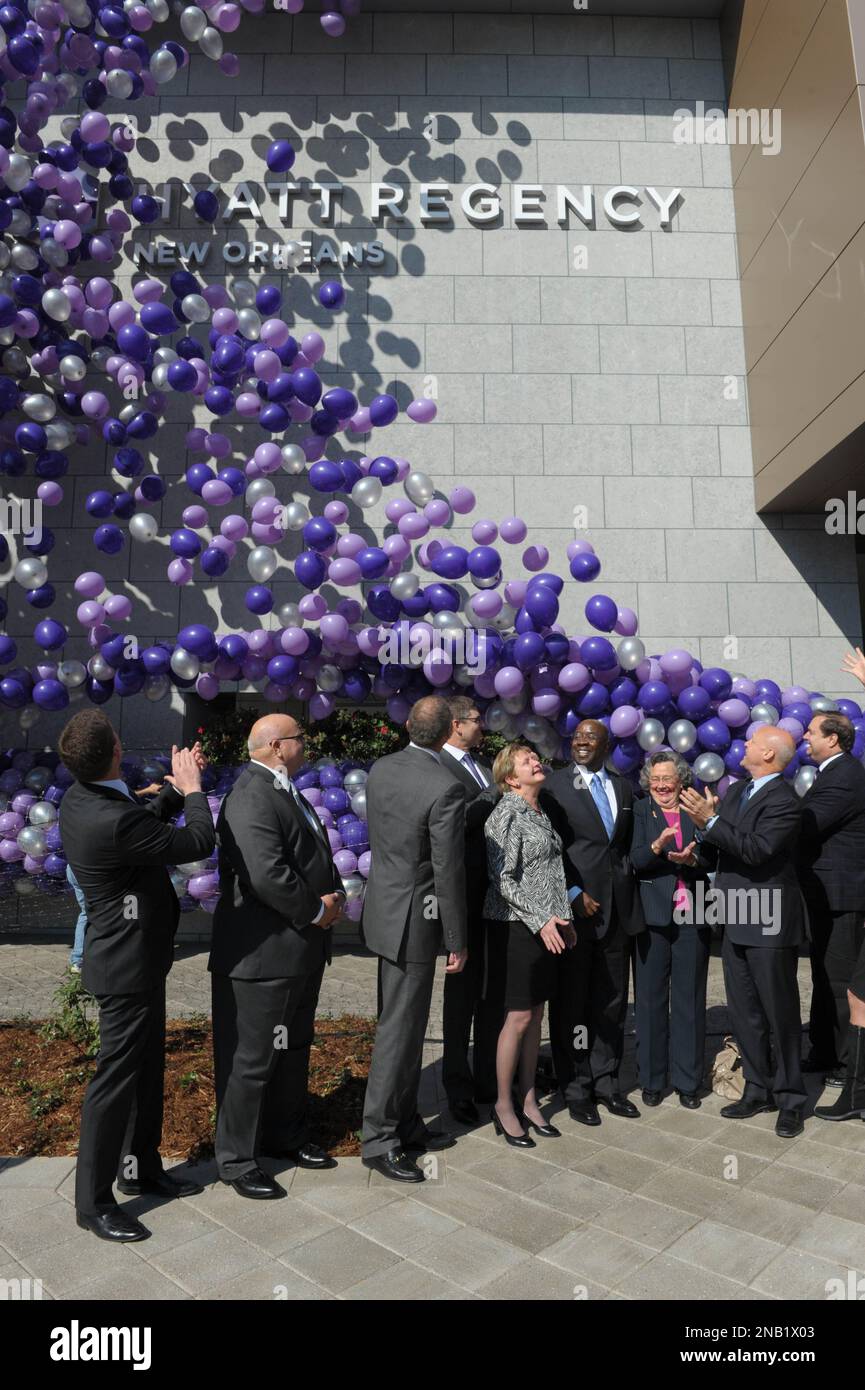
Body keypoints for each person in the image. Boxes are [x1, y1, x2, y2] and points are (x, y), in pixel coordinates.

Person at [58, 709, 215, 1243]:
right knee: (114, 1082)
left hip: (139, 961)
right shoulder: (113, 816)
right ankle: (93, 1202)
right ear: (117, 751)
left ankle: (141, 1168)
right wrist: (194, 791)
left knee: (146, 1070)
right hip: (124, 968)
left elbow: (139, 823)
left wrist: (170, 789)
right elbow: (195, 843)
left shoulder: (84, 797)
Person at [209, 714, 344, 1200]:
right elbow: (266, 874)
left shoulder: (285, 789)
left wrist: (334, 894)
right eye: (300, 738)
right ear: (276, 746)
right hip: (262, 956)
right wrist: (314, 910)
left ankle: (285, 1135)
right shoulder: (250, 794)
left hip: (299, 952)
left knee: (291, 1050)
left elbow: (313, 855)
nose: (306, 745)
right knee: (251, 1059)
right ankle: (237, 1159)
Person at [360, 695, 468, 1182]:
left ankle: (404, 1123)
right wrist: (457, 937)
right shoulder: (446, 786)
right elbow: (447, 869)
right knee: (400, 1034)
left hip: (385, 910)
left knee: (399, 1026)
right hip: (414, 923)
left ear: (406, 725)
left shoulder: (380, 768)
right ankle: (380, 1139)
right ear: (448, 733)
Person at [681, 725, 807, 1139]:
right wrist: (698, 842)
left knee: (779, 1013)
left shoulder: (785, 801)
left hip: (770, 921)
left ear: (770, 755)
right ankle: (757, 1087)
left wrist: (710, 820)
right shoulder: (739, 790)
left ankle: (790, 1098)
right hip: (735, 915)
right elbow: (722, 846)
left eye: (752, 742)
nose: (745, 745)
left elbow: (756, 849)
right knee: (745, 1012)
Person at [541, 719, 646, 1127]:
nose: (582, 742)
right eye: (578, 737)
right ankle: (576, 1088)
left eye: (592, 737)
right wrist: (570, 892)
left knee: (612, 1002)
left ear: (607, 744)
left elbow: (619, 847)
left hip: (617, 912)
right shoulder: (555, 786)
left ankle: (607, 1083)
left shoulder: (622, 787)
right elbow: (550, 849)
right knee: (573, 1005)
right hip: (576, 913)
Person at [484, 742, 575, 1148]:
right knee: (518, 1018)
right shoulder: (506, 812)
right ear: (510, 777)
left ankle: (529, 1099)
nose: (536, 762)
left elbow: (548, 874)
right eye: (526, 761)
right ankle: (503, 1105)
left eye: (535, 757)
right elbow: (503, 880)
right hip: (518, 928)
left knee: (536, 1016)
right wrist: (541, 921)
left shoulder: (541, 812)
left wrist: (563, 917)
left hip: (549, 928)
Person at [631, 751, 713, 1109]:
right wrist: (657, 847)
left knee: (689, 1000)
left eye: (669, 780)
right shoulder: (638, 811)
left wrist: (693, 859)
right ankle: (651, 1079)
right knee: (649, 1001)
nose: (662, 786)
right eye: (656, 780)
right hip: (651, 916)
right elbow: (632, 860)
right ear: (648, 783)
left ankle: (688, 1082)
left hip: (693, 914)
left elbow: (716, 856)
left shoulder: (695, 808)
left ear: (681, 782)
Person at [439, 695, 501, 1126]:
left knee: (491, 991)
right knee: (461, 997)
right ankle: (457, 1085)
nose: (483, 726)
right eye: (477, 720)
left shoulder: (482, 763)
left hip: (494, 895)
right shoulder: (438, 766)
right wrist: (493, 794)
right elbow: (454, 821)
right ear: (456, 724)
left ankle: (488, 1079)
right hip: (462, 894)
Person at [797, 712, 865, 1085]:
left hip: (842, 895)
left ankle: (844, 1063)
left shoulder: (845, 776)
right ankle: (823, 1051)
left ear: (833, 740)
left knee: (840, 982)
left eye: (811, 732)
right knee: (822, 975)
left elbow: (807, 824)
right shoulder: (832, 772)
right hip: (824, 894)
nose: (804, 737)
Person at [66, 862, 87, 974]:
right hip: (90, 866)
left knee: (86, 913)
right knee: (88, 913)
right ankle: (78, 960)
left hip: (74, 865)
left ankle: (77, 960)